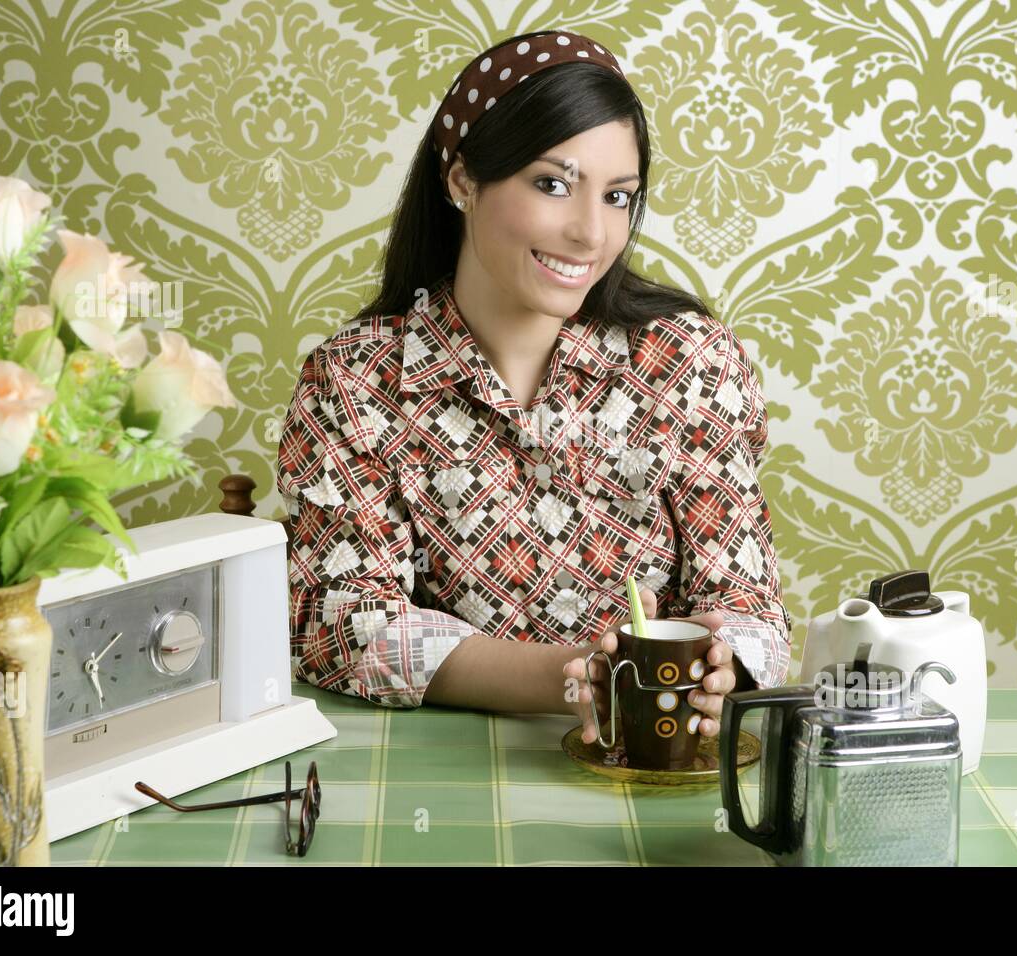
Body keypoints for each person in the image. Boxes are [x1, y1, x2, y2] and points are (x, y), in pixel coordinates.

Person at [275, 30, 793, 747]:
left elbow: (752, 608)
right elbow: (343, 624)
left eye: (618, 197)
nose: (590, 233)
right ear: (461, 181)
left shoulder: (691, 360)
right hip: (441, 775)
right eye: (553, 184)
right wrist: (573, 675)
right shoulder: (354, 381)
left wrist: (725, 663)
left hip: (664, 763)